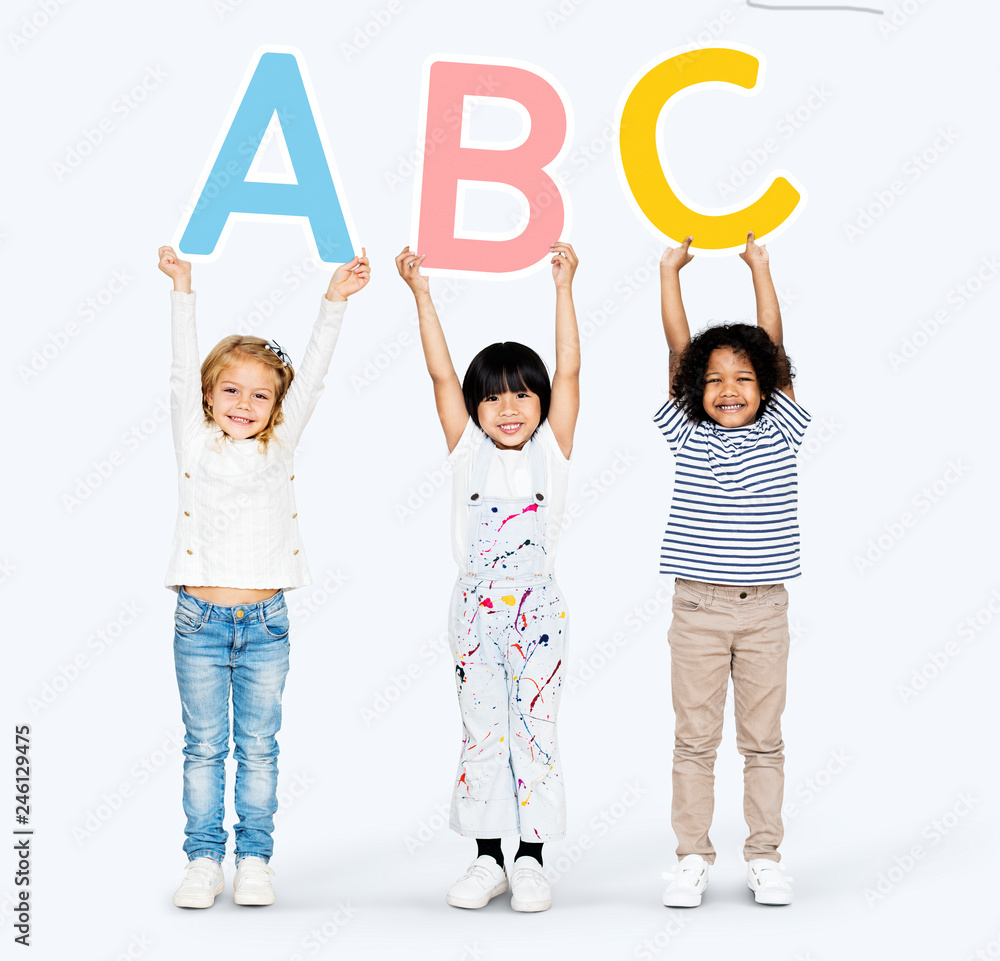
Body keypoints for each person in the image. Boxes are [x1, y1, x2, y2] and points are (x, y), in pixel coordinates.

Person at [158, 243, 369, 908]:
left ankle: (254, 857)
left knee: (258, 745)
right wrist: (182, 288)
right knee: (203, 746)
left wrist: (335, 299)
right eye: (230, 390)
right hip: (199, 620)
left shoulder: (281, 443)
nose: (243, 404)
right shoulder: (194, 440)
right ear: (208, 395)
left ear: (276, 404)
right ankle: (201, 859)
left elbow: (314, 374)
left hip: (266, 621)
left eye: (259, 394)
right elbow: (177, 366)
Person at [395, 242, 580, 912]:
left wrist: (565, 287)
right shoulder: (466, 451)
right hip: (474, 613)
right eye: (494, 397)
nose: (509, 408)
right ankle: (486, 858)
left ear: (543, 403)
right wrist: (421, 293)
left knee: (536, 726)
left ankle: (531, 858)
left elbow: (571, 365)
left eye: (523, 395)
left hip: (539, 617)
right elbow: (442, 375)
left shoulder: (552, 450)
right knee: (483, 730)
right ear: (475, 407)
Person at [656, 233, 809, 907]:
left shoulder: (782, 427)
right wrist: (670, 274)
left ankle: (765, 854)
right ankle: (691, 855)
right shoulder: (688, 431)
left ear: (767, 387)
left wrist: (761, 269)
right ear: (695, 388)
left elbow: (771, 347)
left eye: (743, 379)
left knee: (763, 739)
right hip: (697, 609)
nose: (728, 389)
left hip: (764, 610)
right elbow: (675, 348)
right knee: (693, 738)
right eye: (714, 379)